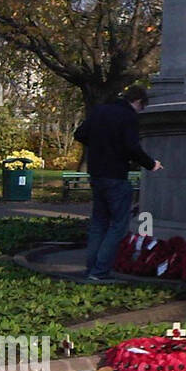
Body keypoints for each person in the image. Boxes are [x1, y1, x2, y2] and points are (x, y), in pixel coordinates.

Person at [73, 85, 163, 282]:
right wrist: (151, 164)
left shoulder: (100, 111)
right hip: (115, 174)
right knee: (118, 226)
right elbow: (132, 147)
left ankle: (91, 269)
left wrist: (99, 145)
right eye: (141, 108)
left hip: (96, 173)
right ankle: (100, 270)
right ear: (138, 102)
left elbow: (79, 134)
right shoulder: (128, 116)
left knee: (98, 224)